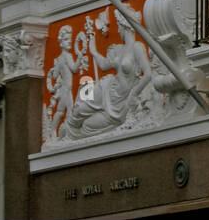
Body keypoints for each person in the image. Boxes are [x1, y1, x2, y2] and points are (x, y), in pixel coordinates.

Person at [62, 11, 152, 140]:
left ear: (124, 25)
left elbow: (148, 74)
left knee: (87, 126)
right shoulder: (120, 49)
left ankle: (71, 136)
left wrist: (133, 94)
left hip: (119, 104)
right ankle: (65, 135)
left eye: (119, 26)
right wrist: (93, 51)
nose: (118, 30)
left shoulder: (137, 47)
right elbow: (104, 65)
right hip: (107, 88)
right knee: (80, 109)